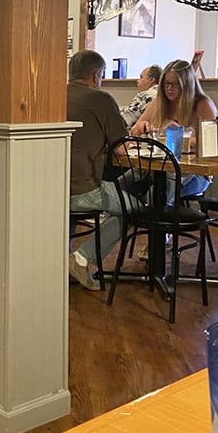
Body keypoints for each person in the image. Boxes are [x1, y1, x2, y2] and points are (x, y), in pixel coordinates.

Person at [67, 50, 128, 290]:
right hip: (84, 188)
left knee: (125, 189)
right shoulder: (101, 99)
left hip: (52, 186)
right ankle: (81, 259)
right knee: (136, 209)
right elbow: (122, 150)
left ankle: (61, 264)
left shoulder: (52, 94)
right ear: (96, 75)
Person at [130, 58, 217, 201]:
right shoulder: (160, 101)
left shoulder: (203, 104)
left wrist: (175, 135)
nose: (169, 89)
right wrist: (141, 128)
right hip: (158, 168)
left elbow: (209, 144)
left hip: (193, 173)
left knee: (156, 194)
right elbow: (135, 131)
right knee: (121, 185)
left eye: (175, 84)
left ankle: (153, 219)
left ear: (187, 84)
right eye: (166, 84)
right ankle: (135, 218)